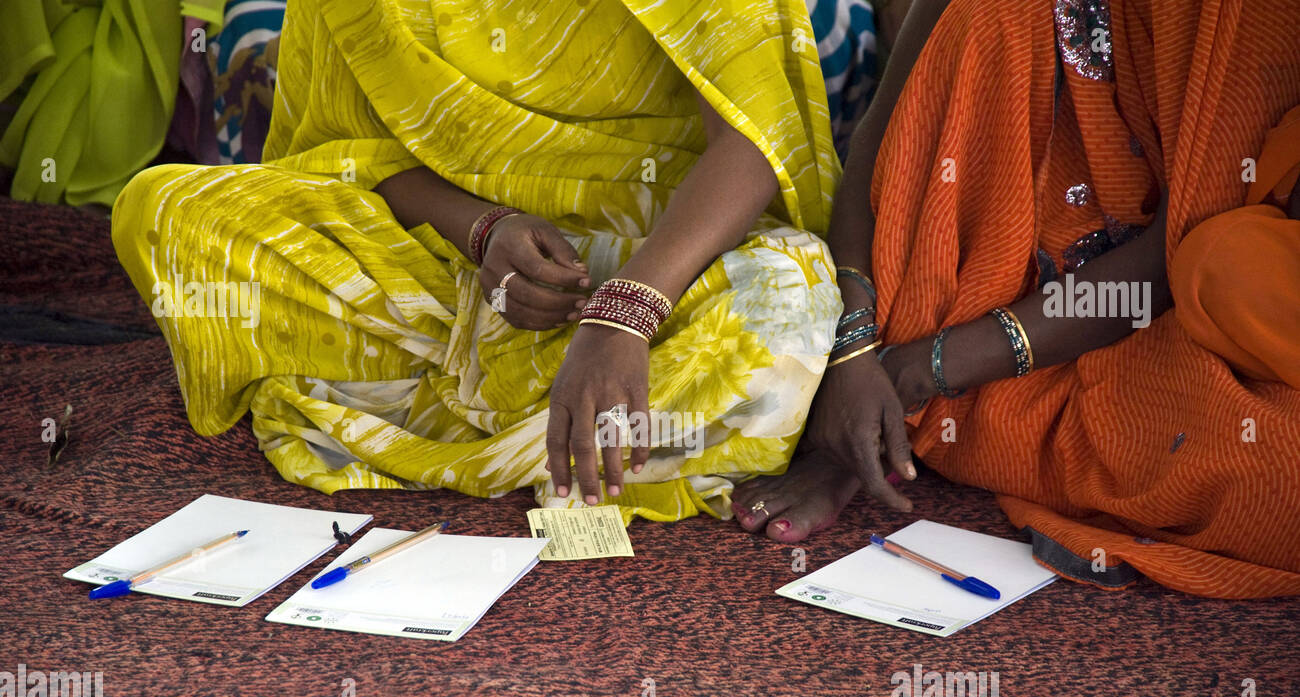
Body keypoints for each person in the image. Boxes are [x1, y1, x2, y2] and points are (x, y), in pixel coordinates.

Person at [111, 0, 842, 524]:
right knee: (169, 215)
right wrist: (483, 231)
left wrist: (624, 317)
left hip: (667, 268)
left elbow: (752, 148)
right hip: (453, 273)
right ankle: (580, 446)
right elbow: (345, 155)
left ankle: (460, 431)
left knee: (789, 292)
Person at [733, 0, 1300, 597]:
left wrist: (921, 371)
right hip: (942, 311)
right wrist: (853, 343)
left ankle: (890, 413)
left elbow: (1181, 249)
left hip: (1159, 333)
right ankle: (864, 422)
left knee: (1278, 475)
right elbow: (883, 136)